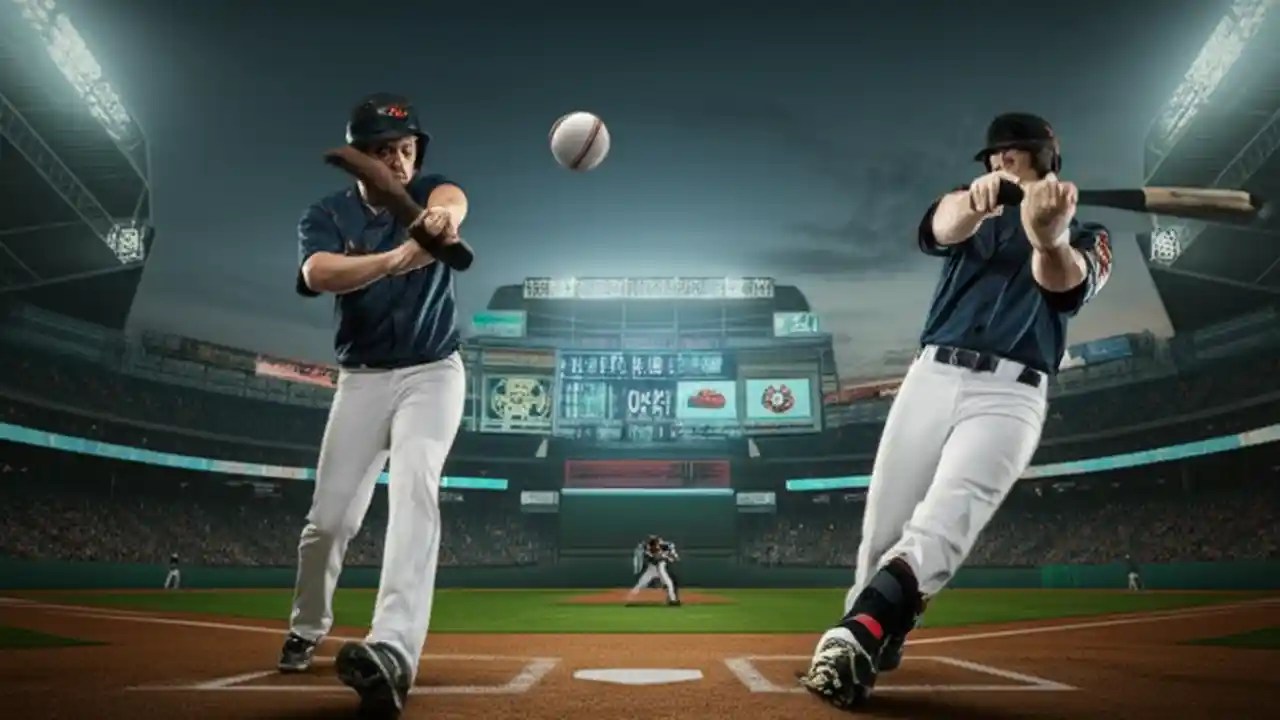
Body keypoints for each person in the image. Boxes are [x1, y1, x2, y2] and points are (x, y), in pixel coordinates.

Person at [801, 112, 1114, 709]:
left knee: (944, 521)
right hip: (931, 376)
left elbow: (1067, 288)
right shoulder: (972, 214)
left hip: (1011, 393)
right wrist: (973, 204)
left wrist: (1048, 235)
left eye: (1014, 153)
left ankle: (858, 634)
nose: (1000, 163)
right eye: (994, 156)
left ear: (1046, 158)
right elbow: (939, 227)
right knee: (879, 536)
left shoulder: (1087, 233)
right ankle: (876, 627)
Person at [275, 92, 470, 720]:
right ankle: (307, 624)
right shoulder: (326, 213)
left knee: (416, 485)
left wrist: (438, 224)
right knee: (328, 521)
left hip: (433, 372)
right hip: (360, 379)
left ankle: (392, 649)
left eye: (407, 148)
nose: (400, 159)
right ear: (362, 158)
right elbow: (317, 274)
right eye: (385, 151)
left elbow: (450, 205)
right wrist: (392, 260)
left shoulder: (436, 187)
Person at [627, 535, 681, 606]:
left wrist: (672, 556)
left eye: (657, 543)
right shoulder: (648, 550)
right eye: (654, 544)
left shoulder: (665, 546)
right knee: (640, 584)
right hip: (652, 569)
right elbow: (655, 559)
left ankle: (673, 600)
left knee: (669, 583)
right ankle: (629, 598)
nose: (656, 546)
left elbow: (674, 555)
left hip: (661, 568)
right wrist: (665, 557)